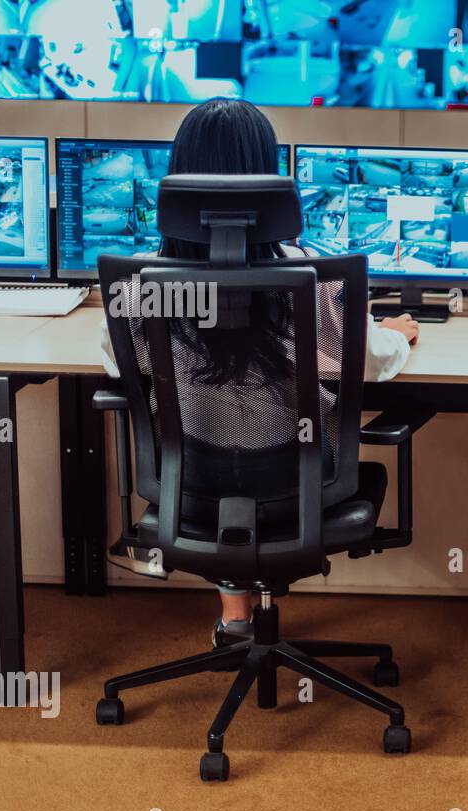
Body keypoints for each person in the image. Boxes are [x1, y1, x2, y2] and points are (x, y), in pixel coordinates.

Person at [98, 97, 421, 648]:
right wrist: (399, 334)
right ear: (269, 180)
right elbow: (372, 362)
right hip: (303, 489)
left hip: (188, 490)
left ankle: (236, 617)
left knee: (224, 428)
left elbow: (117, 360)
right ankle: (241, 613)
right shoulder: (312, 278)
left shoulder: (140, 286)